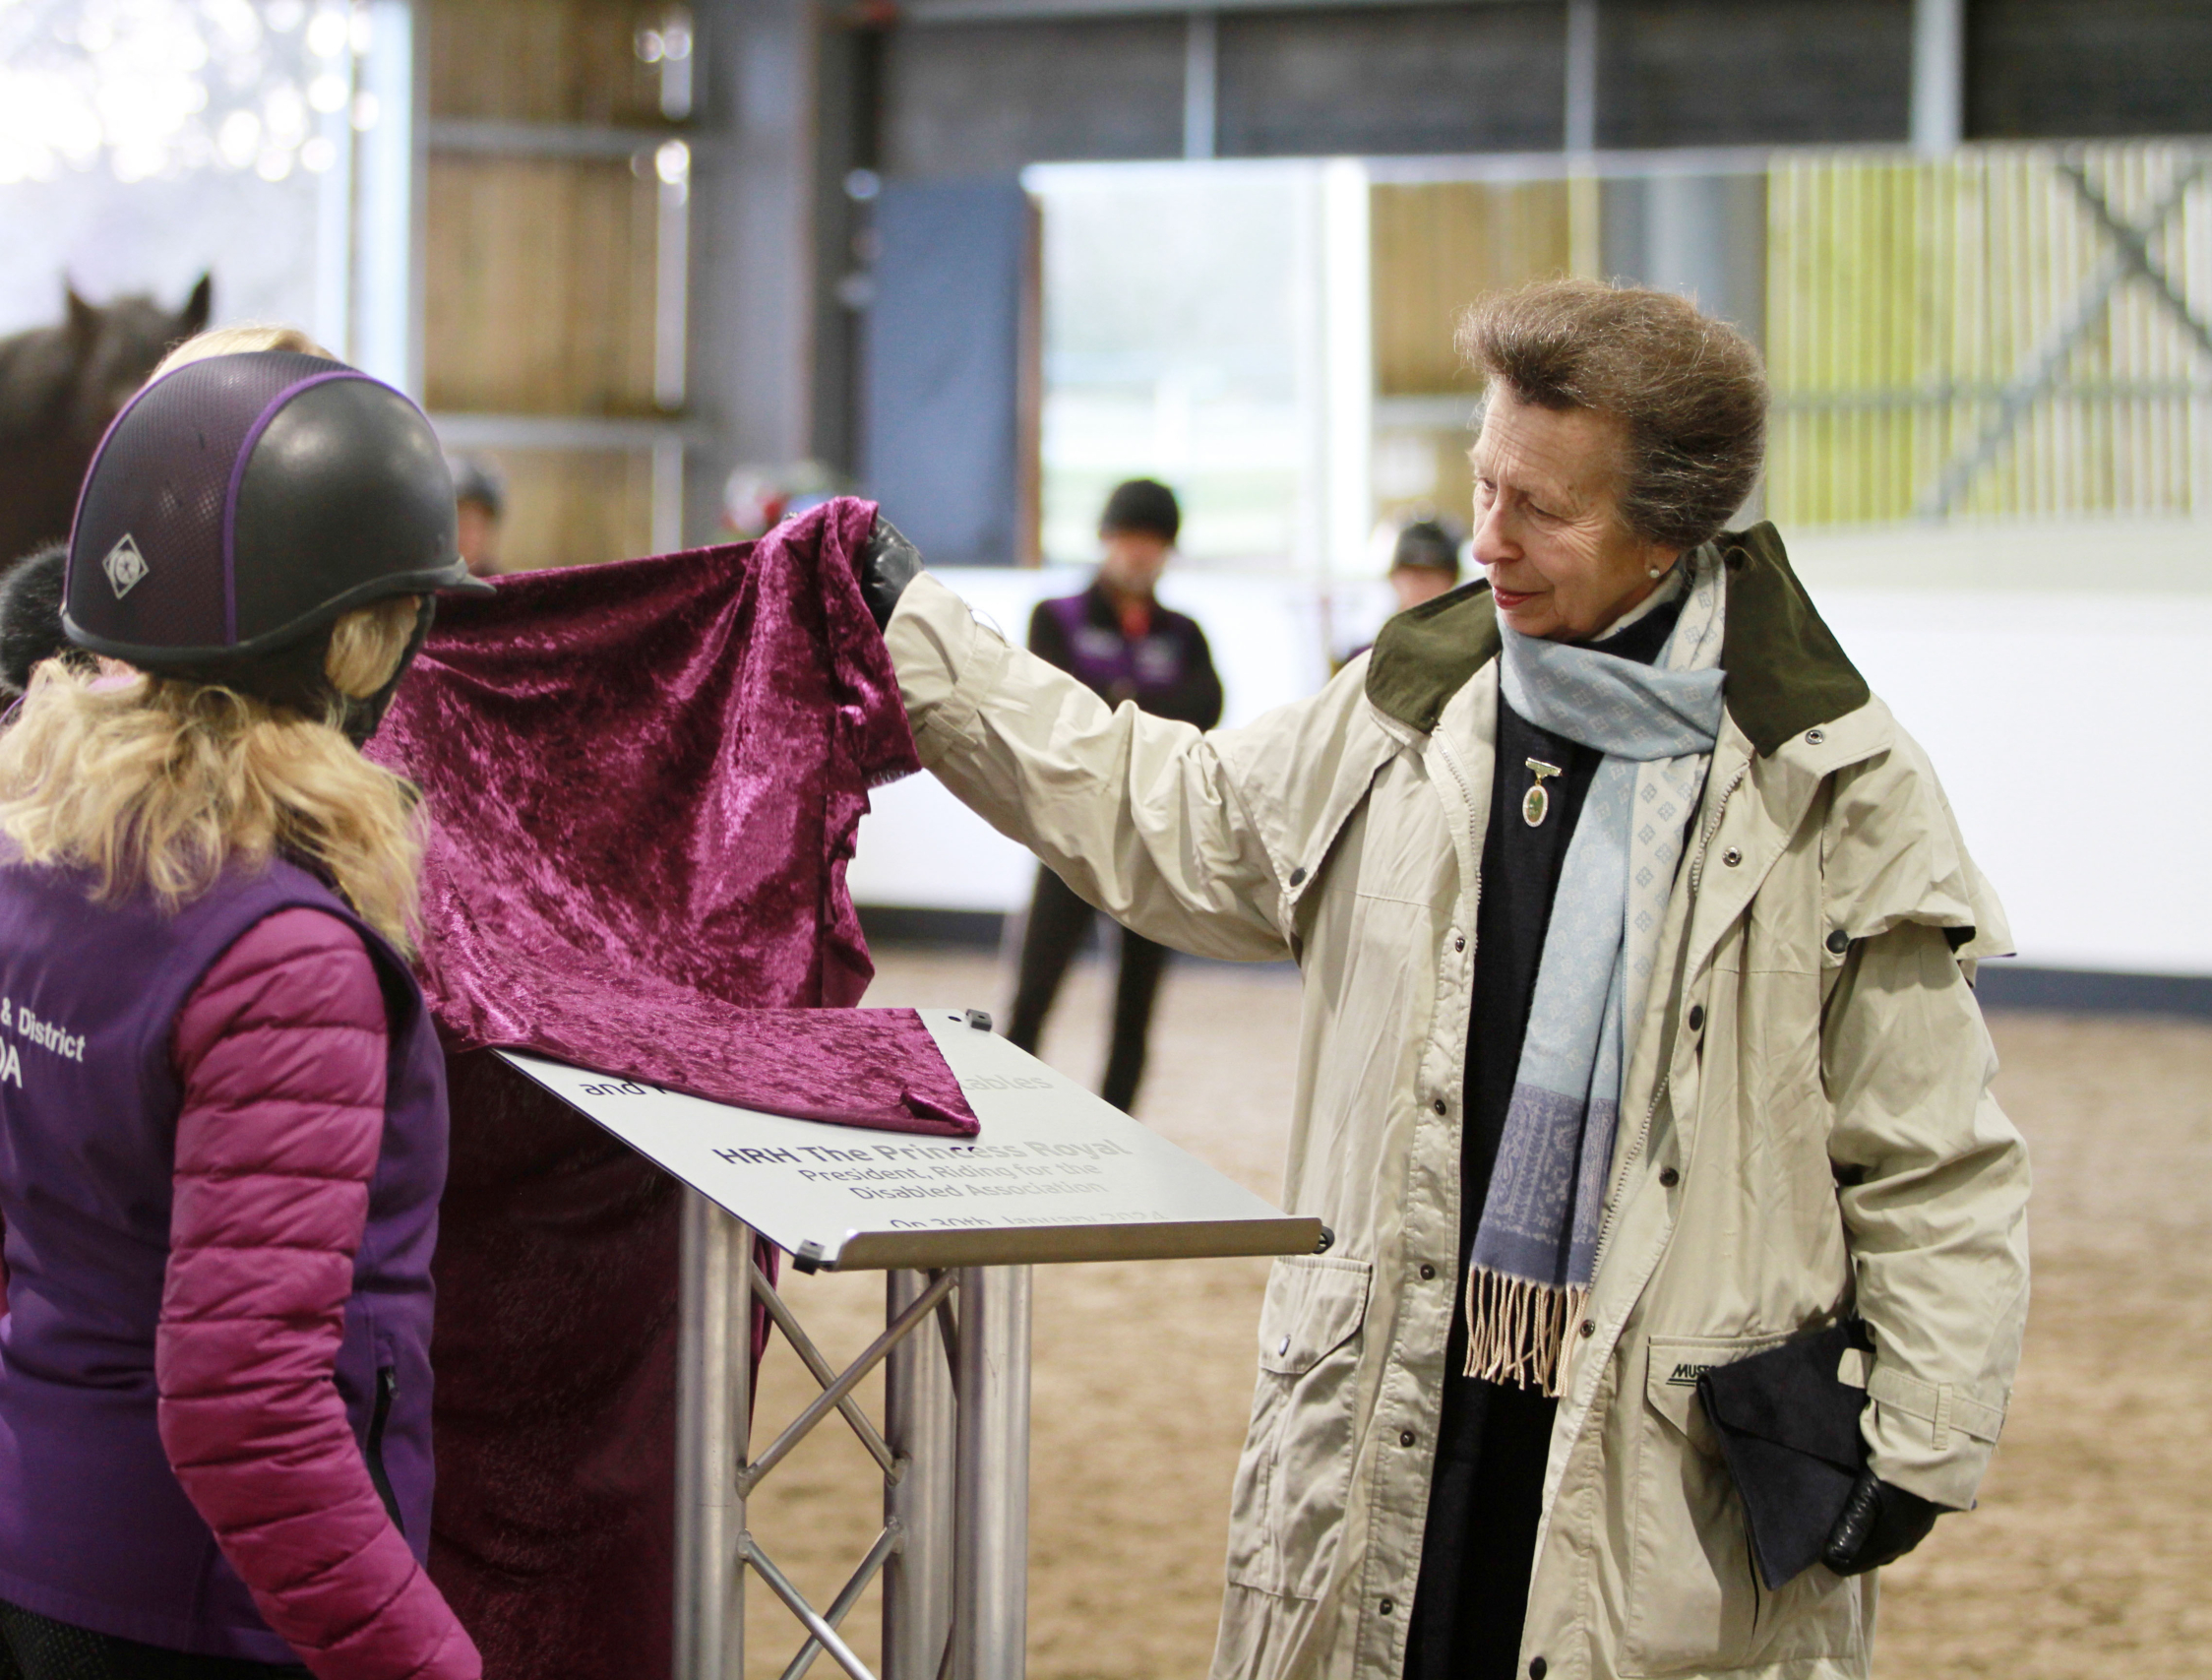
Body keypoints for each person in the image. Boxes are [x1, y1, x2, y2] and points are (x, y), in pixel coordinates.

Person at [859, 279, 2028, 1680]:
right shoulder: (1409, 702)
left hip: (1669, 1496)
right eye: (1484, 483)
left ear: (1669, 531)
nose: (1488, 537)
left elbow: (1935, 1157)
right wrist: (915, 630)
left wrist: (1917, 1440)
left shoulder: (1832, 781)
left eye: (1543, 506)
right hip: (1389, 1432)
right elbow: (1159, 807)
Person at [0, 342, 489, 1680]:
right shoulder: (279, 951)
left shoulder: (14, 849)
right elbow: (244, 1400)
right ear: (358, 635)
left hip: (13, 1545)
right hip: (191, 1603)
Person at [1006, 477, 1220, 1111]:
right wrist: (1145, 710)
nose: (1138, 553)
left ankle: (1117, 1130)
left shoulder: (1185, 634)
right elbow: (1055, 705)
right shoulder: (1057, 617)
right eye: (1128, 538)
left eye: (1152, 541)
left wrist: (1116, 704)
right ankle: (1002, 1122)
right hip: (1067, 832)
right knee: (1032, 995)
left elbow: (1206, 705)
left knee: (1136, 1009)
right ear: (1105, 540)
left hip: (1149, 838)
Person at [1387, 516, 1463, 611]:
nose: (1421, 584)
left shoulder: (1469, 624)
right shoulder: (1374, 624)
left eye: (1432, 573)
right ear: (1394, 578)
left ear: (1451, 580)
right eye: (1413, 572)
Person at [450, 456, 506, 578]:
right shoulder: (416, 590)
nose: (463, 534)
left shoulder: (505, 589)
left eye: (474, 523)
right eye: (457, 520)